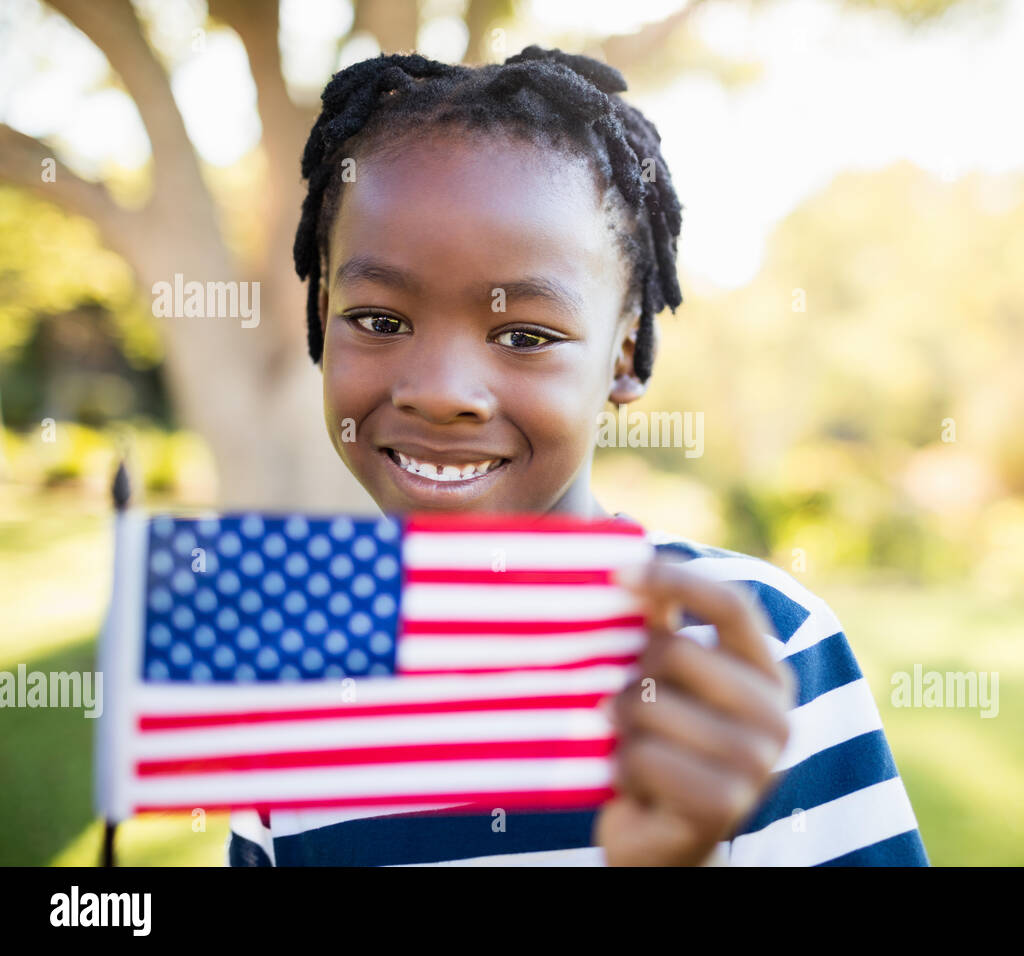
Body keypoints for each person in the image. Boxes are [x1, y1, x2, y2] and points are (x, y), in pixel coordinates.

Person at [228, 45, 927, 866]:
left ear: (624, 356)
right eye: (380, 320)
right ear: (320, 313)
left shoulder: (752, 653)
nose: (441, 391)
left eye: (525, 336)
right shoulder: (288, 680)